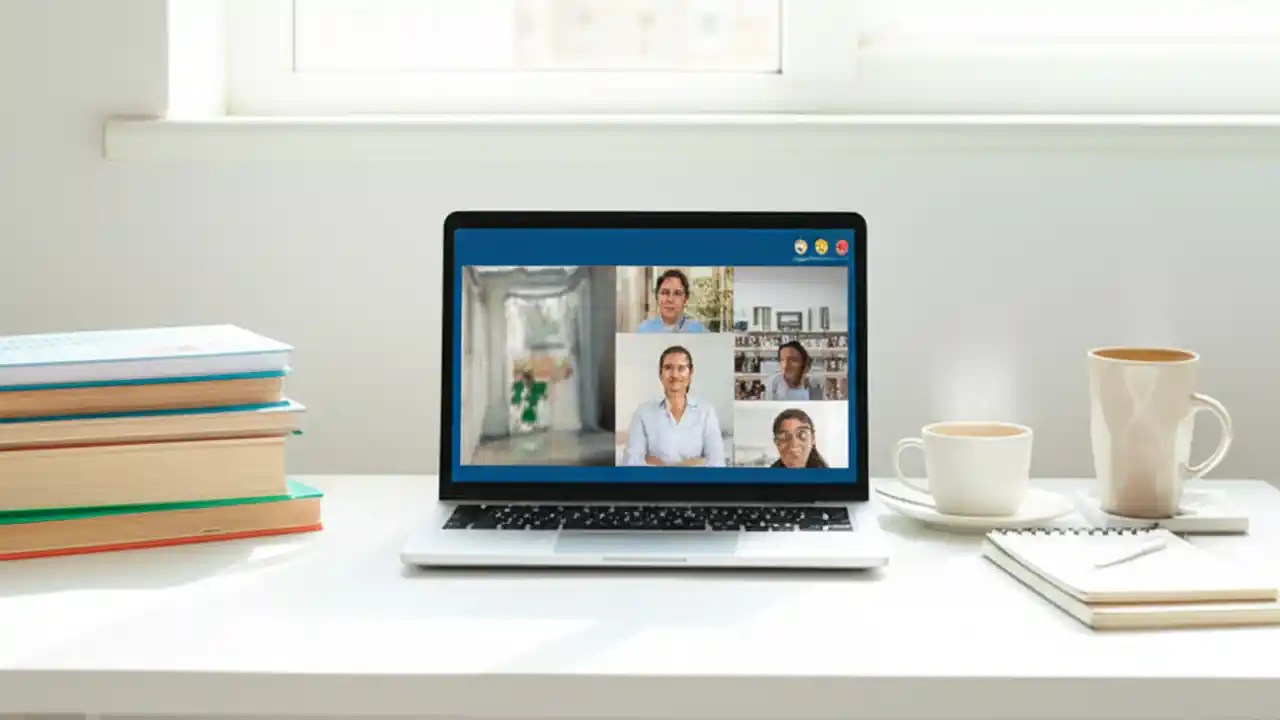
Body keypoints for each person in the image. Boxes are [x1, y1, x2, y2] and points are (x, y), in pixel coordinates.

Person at [622, 345, 726, 466]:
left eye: (681, 368)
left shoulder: (706, 412)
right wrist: (693, 463)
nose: (675, 375)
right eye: (668, 368)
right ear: (660, 373)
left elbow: (717, 463)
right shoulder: (643, 413)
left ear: (690, 373)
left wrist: (659, 465)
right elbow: (631, 462)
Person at [636, 269, 708, 333]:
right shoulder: (644, 330)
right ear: (657, 297)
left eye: (677, 293)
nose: (670, 299)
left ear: (686, 298)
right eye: (665, 293)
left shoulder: (699, 331)